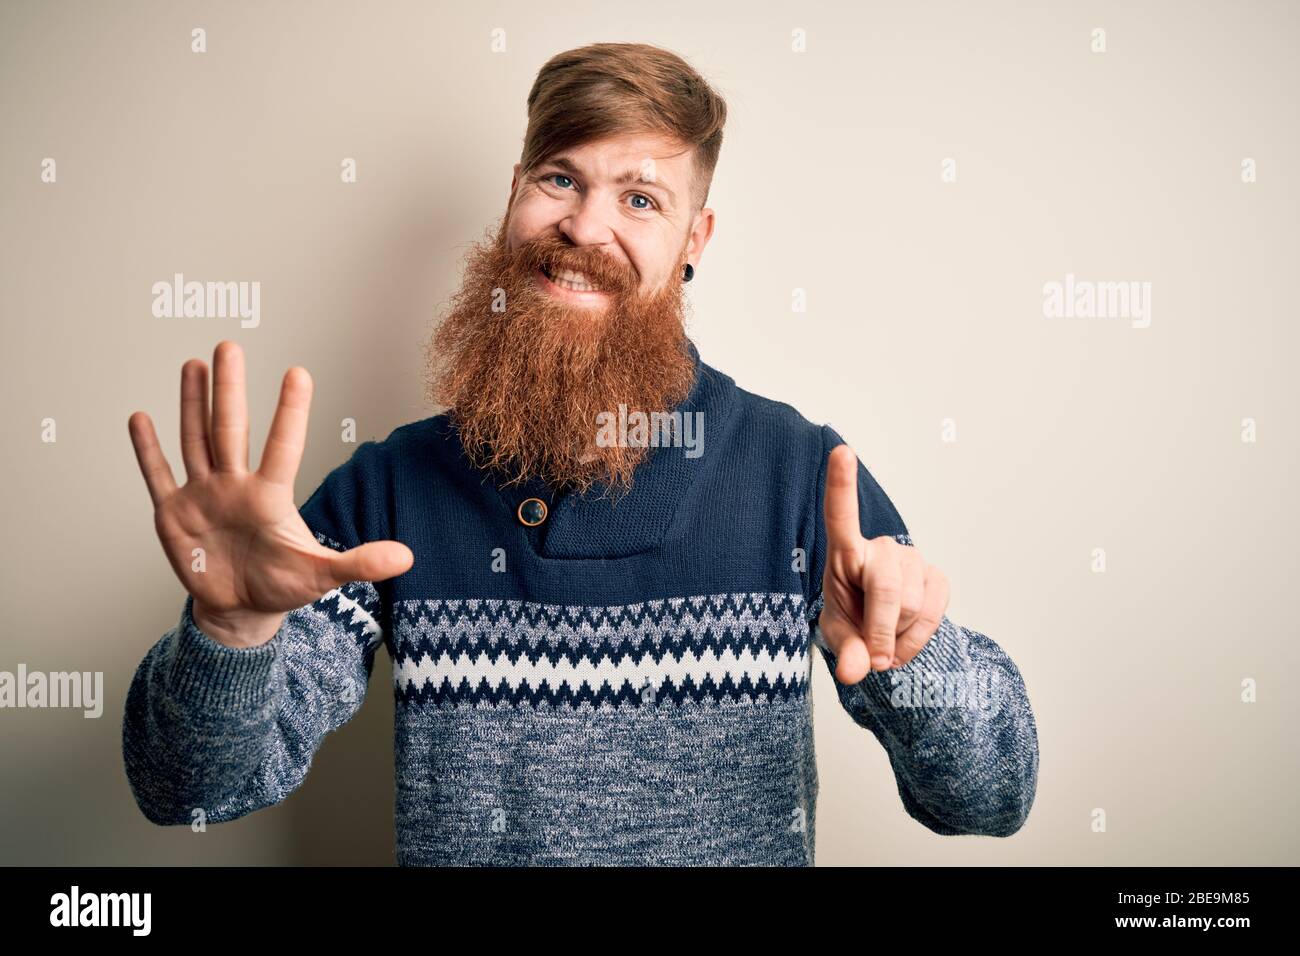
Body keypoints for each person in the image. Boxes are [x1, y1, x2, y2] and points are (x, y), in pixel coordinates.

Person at [123, 42, 1039, 865]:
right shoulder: (387, 489)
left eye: (640, 199)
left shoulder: (800, 474)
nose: (585, 228)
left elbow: (991, 800)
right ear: (513, 194)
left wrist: (916, 658)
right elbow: (189, 792)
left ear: (694, 240)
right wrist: (230, 636)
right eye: (560, 180)